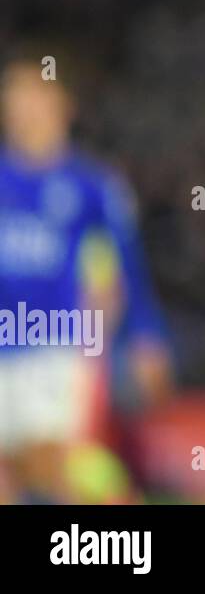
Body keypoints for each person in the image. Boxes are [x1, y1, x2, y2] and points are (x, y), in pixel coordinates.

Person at [0, 54, 172, 503]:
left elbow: (127, 265)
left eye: (31, 93)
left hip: (55, 346)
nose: (19, 105)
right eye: (12, 94)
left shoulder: (90, 186)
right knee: (14, 476)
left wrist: (145, 336)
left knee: (48, 461)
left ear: (61, 103)